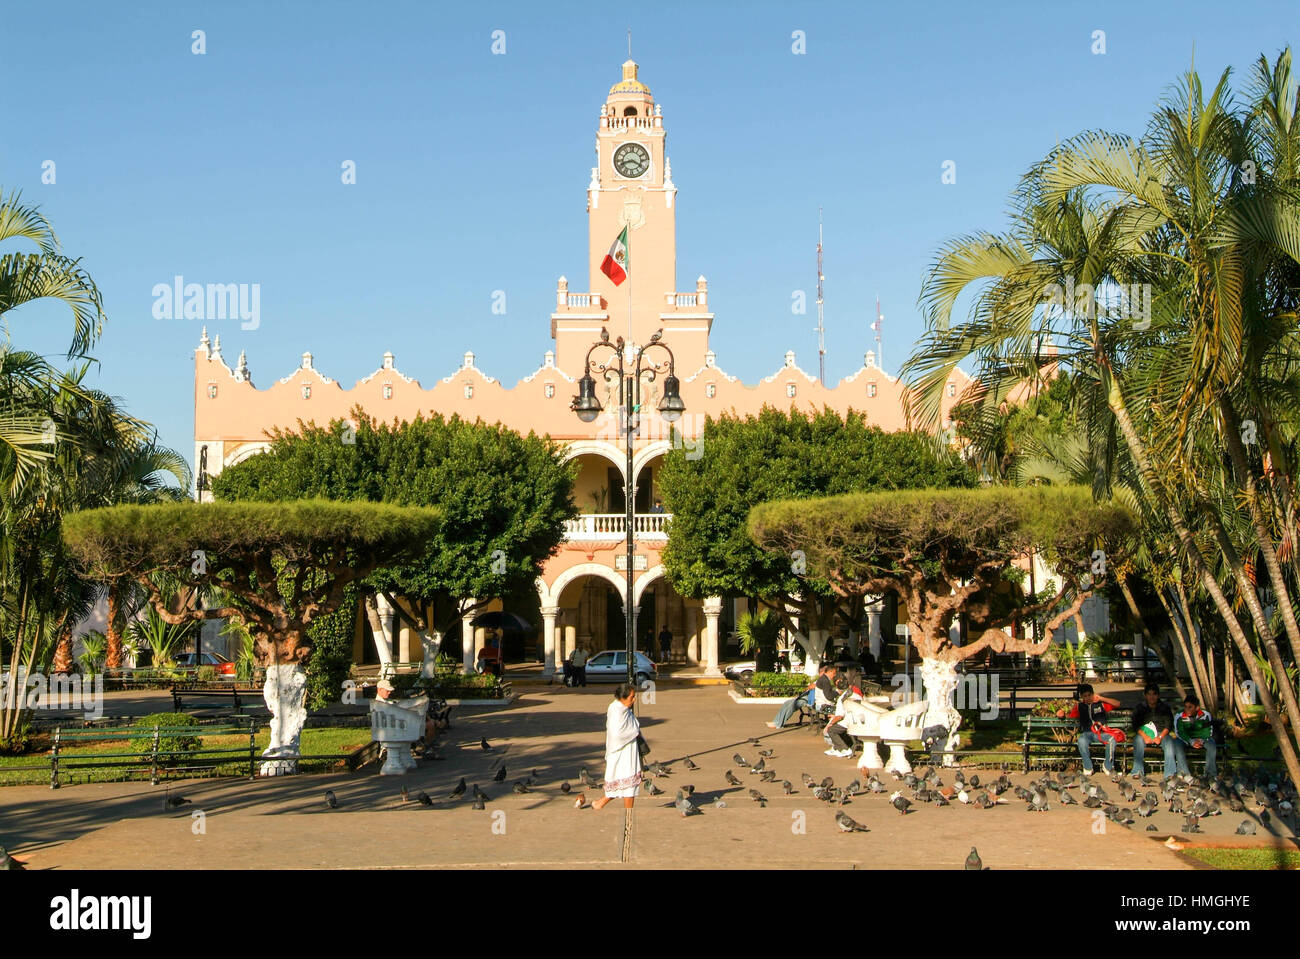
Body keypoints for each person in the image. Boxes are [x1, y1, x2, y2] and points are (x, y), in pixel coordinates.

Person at [1056, 682, 1123, 776]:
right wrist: (1062, 714)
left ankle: (1108, 766)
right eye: (1085, 696)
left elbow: (1118, 704)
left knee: (1112, 740)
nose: (1087, 698)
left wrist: (1101, 698)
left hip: (1102, 733)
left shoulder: (1101, 704)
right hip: (1087, 733)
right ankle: (1088, 767)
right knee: (1082, 741)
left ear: (1093, 694)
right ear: (1082, 697)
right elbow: (1070, 717)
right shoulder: (1079, 707)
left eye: (1089, 695)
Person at [593, 684, 642, 811]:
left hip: (629, 750)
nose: (634, 700)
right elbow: (617, 734)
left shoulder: (624, 709)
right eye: (631, 697)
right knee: (628, 785)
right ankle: (628, 814)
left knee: (626, 783)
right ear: (623, 697)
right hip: (620, 752)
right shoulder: (616, 710)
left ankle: (600, 803)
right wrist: (634, 730)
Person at [1130, 682, 1177, 779]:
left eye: (1154, 694)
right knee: (1138, 740)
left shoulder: (1164, 708)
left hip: (1161, 734)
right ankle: (1137, 771)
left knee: (1169, 742)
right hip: (1144, 733)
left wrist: (1160, 737)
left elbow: (1168, 725)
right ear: (1145, 695)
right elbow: (1136, 725)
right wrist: (1145, 736)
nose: (1152, 697)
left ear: (1158, 695)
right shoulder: (1140, 708)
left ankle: (1170, 773)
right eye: (1149, 694)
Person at [767, 663, 828, 729]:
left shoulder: (824, 680)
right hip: (807, 696)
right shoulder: (820, 679)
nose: (820, 674)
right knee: (787, 703)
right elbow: (811, 686)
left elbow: (812, 686)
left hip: (811, 699)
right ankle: (776, 721)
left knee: (792, 705)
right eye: (820, 672)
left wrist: (811, 686)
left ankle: (779, 724)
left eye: (822, 672)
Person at [1172, 693, 1218, 779]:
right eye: (1185, 707)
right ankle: (1185, 773)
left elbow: (1208, 731)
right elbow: (1179, 732)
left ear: (1197, 707)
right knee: (1176, 744)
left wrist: (1201, 740)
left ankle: (1210, 774)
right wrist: (1191, 741)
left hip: (1202, 739)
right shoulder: (1179, 715)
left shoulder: (1206, 715)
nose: (1187, 709)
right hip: (1186, 739)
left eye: (1190, 707)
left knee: (1212, 744)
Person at [824, 667, 867, 757]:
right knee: (836, 725)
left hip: (850, 721)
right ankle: (837, 747)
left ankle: (844, 749)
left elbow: (840, 716)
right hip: (862, 718)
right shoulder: (855, 692)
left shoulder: (842, 698)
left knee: (831, 730)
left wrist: (829, 724)